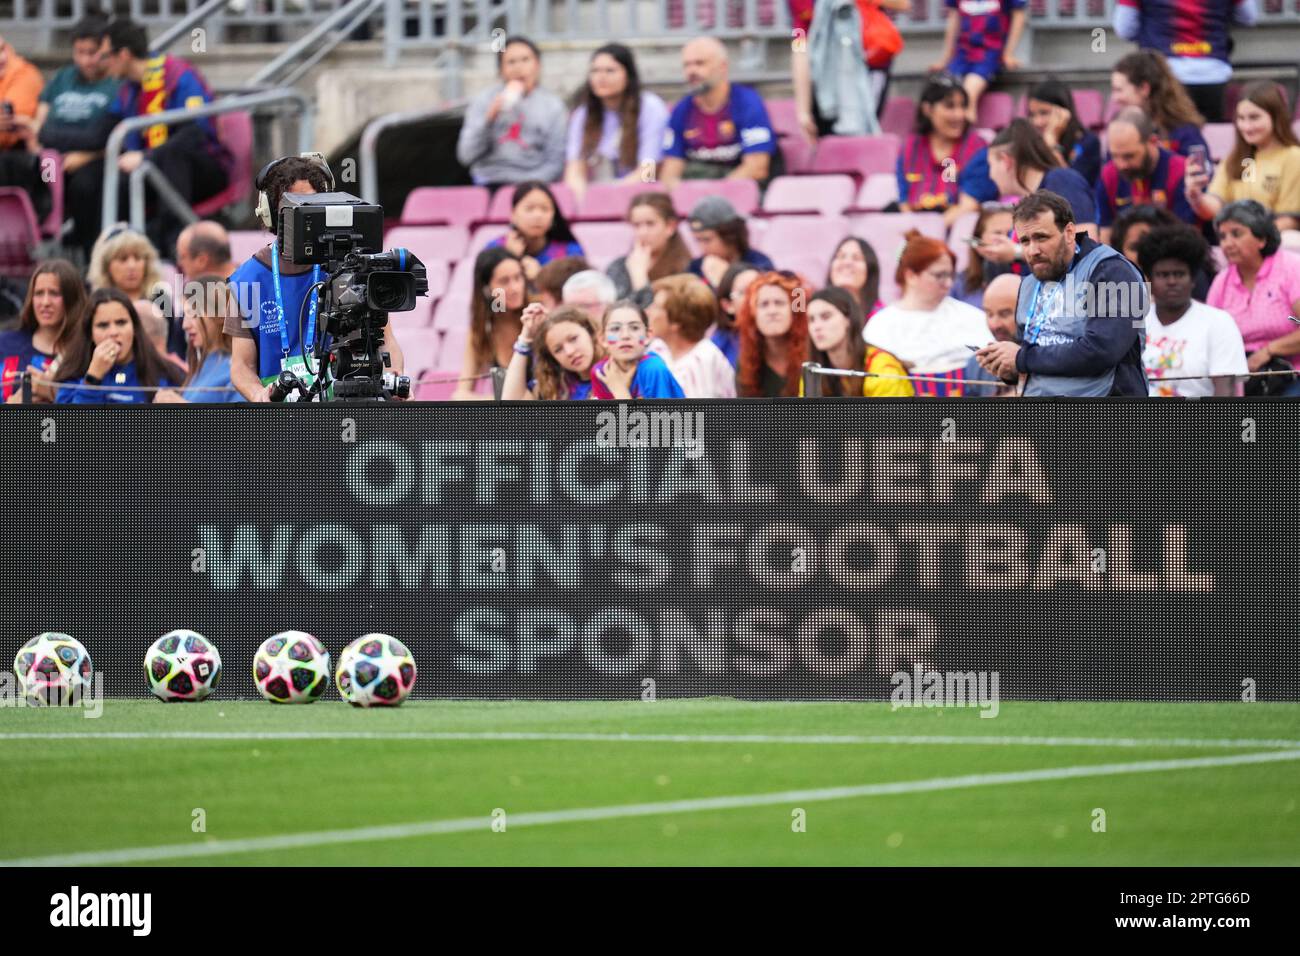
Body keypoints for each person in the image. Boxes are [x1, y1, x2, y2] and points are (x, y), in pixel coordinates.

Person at [227, 156, 404, 402]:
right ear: (271, 213)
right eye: (292, 207)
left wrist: (393, 379)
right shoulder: (248, 280)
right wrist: (259, 394)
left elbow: (385, 341)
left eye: (310, 205)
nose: (303, 216)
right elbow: (241, 366)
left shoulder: (352, 266)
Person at [975, 190, 1149, 397]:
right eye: (1025, 241)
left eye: (1041, 237)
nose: (1032, 250)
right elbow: (1036, 357)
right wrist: (1008, 365)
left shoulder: (1114, 271)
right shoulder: (1030, 282)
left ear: (1068, 232)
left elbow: (1102, 351)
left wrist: (1021, 358)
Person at [100, 19, 230, 257]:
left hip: (205, 169)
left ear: (124, 55)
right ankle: (117, 250)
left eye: (105, 55)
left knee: (173, 155)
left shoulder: (178, 75)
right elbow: (104, 129)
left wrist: (146, 156)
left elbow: (194, 133)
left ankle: (172, 247)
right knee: (109, 176)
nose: (102, 64)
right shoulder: (128, 89)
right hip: (156, 170)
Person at [26, 15, 121, 255]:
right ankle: (29, 244)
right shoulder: (63, 78)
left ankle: (88, 252)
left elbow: (114, 136)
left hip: (94, 156)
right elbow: (40, 123)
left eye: (92, 52)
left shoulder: (116, 82)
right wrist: (38, 146)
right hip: (52, 156)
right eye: (80, 52)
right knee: (27, 170)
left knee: (84, 185)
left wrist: (85, 155)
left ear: (106, 50)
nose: (86, 59)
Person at [864, 229, 990, 395]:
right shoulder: (881, 325)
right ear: (911, 276)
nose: (948, 283)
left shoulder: (971, 316)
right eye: (939, 275)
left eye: (951, 275)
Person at [1137, 225, 1247, 398]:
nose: (1172, 281)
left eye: (1179, 274)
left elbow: (1226, 392)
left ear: (1193, 279)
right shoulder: (1135, 321)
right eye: (1163, 275)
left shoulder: (1219, 323)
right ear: (1149, 279)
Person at [1206, 200, 1300, 396]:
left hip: (1291, 373)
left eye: (1236, 234)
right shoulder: (1221, 282)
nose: (1227, 243)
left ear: (1262, 239)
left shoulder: (1291, 268)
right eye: (1222, 237)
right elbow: (1209, 337)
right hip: (1241, 377)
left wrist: (1268, 351)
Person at [1112, 0, 1257, 123]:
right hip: (1213, 72)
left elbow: (1124, 29)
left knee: (1168, 144)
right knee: (1212, 142)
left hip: (1164, 74)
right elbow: (1249, 17)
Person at [659, 37, 776, 188]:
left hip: (740, 192)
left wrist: (715, 193)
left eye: (700, 63)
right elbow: (670, 172)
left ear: (723, 67)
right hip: (697, 191)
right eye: (686, 65)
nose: (691, 71)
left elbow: (757, 168)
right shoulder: (682, 109)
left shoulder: (748, 103)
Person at [1185, 81, 1300, 232]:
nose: (1246, 126)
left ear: (1276, 117)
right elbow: (1215, 206)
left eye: (1254, 117)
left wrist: (1251, 239)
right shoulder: (1244, 158)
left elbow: (1289, 220)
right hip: (1238, 243)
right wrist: (1196, 197)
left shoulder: (1293, 157)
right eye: (1241, 118)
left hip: (1275, 244)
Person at [456, 35, 567, 187]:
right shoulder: (483, 101)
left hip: (535, 184)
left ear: (538, 65)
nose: (518, 68)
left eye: (525, 60)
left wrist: (531, 185)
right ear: (501, 70)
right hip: (490, 182)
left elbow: (556, 161)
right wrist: (489, 119)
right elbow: (466, 156)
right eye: (511, 62)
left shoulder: (553, 106)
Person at [563, 43, 668, 202]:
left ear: (628, 75)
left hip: (642, 199)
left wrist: (614, 193)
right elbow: (574, 168)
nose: (601, 77)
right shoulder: (582, 114)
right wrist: (580, 195)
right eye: (595, 71)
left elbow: (650, 171)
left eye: (610, 71)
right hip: (596, 198)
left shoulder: (651, 107)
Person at [790, 0, 908, 139]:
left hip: (868, 68)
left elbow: (903, 4)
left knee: (864, 134)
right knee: (829, 140)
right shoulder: (803, 6)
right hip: (825, 80)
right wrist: (803, 110)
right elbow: (799, 46)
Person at [56, 288, 186, 404]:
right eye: (103, 325)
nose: (113, 332)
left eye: (121, 323)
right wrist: (92, 378)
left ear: (134, 328)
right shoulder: (74, 372)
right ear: (90, 333)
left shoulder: (163, 372)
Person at [895, 73, 988, 226]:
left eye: (963, 106)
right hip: (914, 228)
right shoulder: (911, 148)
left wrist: (930, 232)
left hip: (958, 229)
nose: (959, 115)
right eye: (949, 106)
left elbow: (969, 206)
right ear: (928, 109)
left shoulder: (976, 147)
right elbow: (904, 201)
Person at [1096, 108, 1197, 245]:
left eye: (1129, 156)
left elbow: (1187, 238)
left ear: (1153, 141)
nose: (1121, 165)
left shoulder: (1181, 172)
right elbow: (1105, 233)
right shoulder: (1108, 174)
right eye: (1114, 155)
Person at [985, 118, 1097, 237]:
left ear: (1006, 161)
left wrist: (1016, 252)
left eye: (991, 165)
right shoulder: (1029, 200)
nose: (990, 175)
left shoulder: (1062, 181)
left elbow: (1086, 241)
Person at [803, 286, 912, 397]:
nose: (816, 326)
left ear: (848, 319)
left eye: (826, 317)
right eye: (811, 320)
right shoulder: (812, 369)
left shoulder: (883, 368)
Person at [0, 259, 85, 402]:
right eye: (39, 293)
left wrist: (52, 392)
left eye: (54, 293)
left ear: (72, 299)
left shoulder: (85, 351)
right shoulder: (5, 342)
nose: (45, 302)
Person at [452, 247, 530, 401]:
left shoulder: (537, 317)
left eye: (518, 277)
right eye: (504, 281)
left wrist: (503, 400)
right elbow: (460, 395)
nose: (515, 288)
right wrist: (499, 400)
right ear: (486, 289)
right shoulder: (482, 329)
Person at [931, 0, 1026, 125]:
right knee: (944, 97)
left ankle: (967, 139)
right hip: (962, 54)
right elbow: (954, 20)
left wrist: (1008, 53)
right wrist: (946, 58)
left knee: (967, 96)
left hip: (989, 53)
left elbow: (1019, 16)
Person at [154, 275, 244, 403]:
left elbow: (245, 421)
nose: (185, 325)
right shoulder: (201, 365)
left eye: (194, 314)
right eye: (185, 315)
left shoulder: (239, 369)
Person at [645, 273, 737, 398]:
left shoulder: (703, 361)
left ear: (676, 321)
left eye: (656, 306)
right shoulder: (657, 348)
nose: (647, 311)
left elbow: (696, 416)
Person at [1108, 50, 1210, 158]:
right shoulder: (1119, 129)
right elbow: (1108, 172)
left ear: (1144, 88)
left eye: (1118, 90)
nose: (1114, 98)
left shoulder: (1184, 132)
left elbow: (1201, 171)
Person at [605, 192, 693, 307]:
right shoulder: (618, 267)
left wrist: (640, 279)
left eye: (650, 224)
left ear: (670, 227)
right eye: (637, 225)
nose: (642, 233)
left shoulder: (688, 268)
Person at [484, 181, 584, 282]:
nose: (538, 216)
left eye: (545, 209)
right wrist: (510, 257)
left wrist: (540, 278)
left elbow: (577, 294)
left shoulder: (570, 253)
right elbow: (494, 295)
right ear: (513, 214)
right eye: (529, 209)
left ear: (554, 216)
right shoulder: (494, 249)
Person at [502, 302, 600, 400]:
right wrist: (525, 339)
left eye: (573, 339)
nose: (569, 352)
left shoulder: (612, 372)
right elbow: (511, 404)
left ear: (590, 332)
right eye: (558, 349)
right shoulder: (558, 386)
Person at [736, 271, 812, 397]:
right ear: (753, 315)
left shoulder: (813, 353)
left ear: (794, 312)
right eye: (764, 304)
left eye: (779, 303)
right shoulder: (746, 363)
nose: (772, 311)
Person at [590, 300, 686, 399]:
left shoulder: (653, 369)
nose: (625, 335)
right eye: (615, 329)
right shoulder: (600, 372)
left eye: (634, 328)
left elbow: (665, 414)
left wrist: (620, 392)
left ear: (648, 336)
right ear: (602, 339)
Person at [0, 30, 49, 222]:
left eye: (3, 49)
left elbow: (7, 133)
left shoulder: (24, 74)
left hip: (42, 161)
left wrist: (34, 135)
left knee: (51, 167)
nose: (1, 57)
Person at [1025, 78, 1101, 187]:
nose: (1037, 122)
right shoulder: (1032, 142)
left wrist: (1052, 143)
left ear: (1063, 112)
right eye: (1032, 114)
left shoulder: (1088, 142)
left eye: (1044, 113)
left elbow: (1072, 188)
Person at [686, 196, 775, 288]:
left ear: (730, 236)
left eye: (707, 240)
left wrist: (724, 278)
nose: (702, 247)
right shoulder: (695, 268)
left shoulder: (759, 263)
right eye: (697, 240)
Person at [961, 272, 1021, 397]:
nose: (994, 324)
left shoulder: (1046, 359)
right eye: (989, 314)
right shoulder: (978, 365)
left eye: (1004, 314)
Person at [951, 203, 1016, 308]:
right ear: (978, 240)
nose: (1005, 240)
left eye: (1011, 234)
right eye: (997, 233)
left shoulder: (1029, 279)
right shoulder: (959, 282)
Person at [88, 224, 164, 303]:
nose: (132, 266)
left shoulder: (162, 298)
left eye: (138, 258)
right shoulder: (95, 301)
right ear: (106, 265)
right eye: (123, 259)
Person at [713, 262, 760, 368]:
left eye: (758, 288)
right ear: (728, 305)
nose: (754, 296)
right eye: (745, 291)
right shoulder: (717, 349)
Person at [826, 236, 883, 319]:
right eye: (841, 256)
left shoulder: (882, 318)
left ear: (870, 271)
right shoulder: (815, 311)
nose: (847, 262)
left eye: (856, 258)